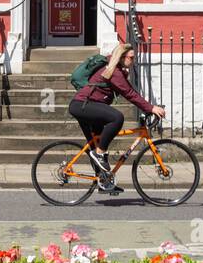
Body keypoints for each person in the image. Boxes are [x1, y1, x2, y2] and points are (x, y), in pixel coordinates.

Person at [69, 41, 166, 194]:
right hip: (83, 105)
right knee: (116, 118)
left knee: (99, 143)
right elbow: (130, 94)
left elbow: (128, 92)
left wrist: (147, 107)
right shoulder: (114, 71)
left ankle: (104, 182)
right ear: (122, 57)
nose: (134, 61)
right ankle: (99, 153)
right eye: (131, 57)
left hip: (88, 106)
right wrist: (151, 107)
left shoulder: (116, 70)